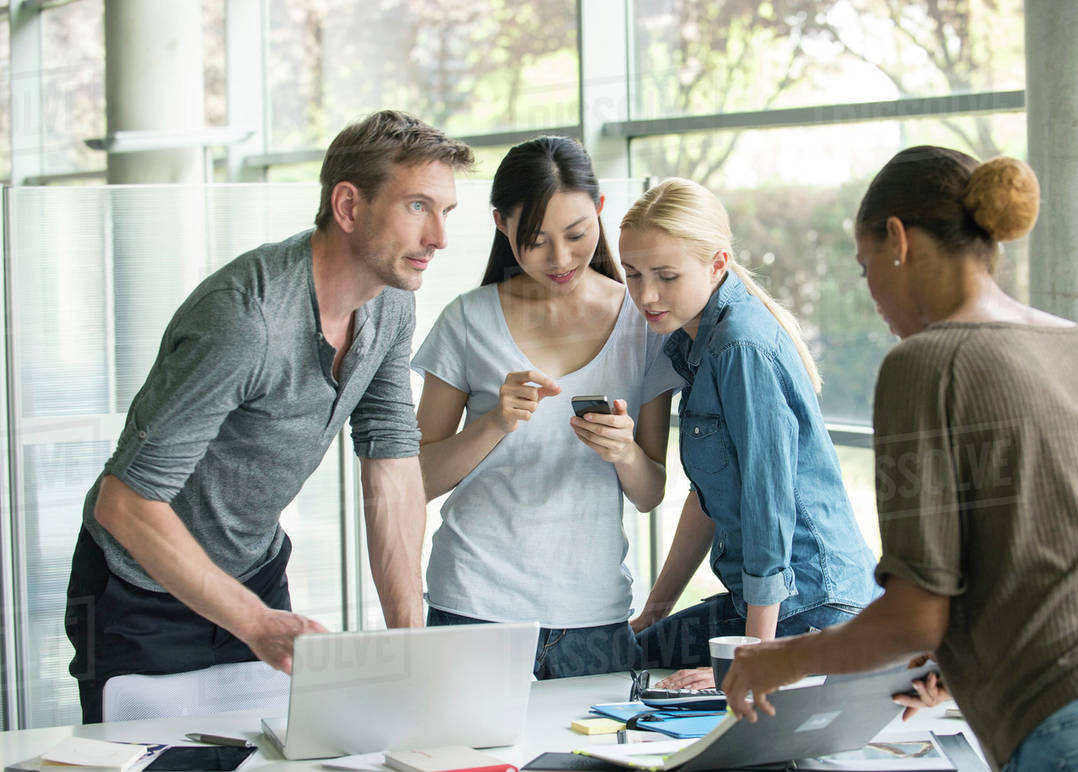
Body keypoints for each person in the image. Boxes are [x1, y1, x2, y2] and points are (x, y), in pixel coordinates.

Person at [64, 110, 474, 722]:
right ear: (348, 206)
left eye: (447, 212)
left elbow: (390, 466)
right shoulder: (245, 318)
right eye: (418, 206)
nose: (439, 237)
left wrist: (409, 643)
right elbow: (123, 503)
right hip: (136, 587)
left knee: (276, 768)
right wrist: (253, 623)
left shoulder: (389, 306)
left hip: (252, 573)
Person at [721, 146, 1078, 772]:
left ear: (898, 240)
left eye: (867, 268)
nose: (872, 297)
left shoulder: (925, 364)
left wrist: (780, 660)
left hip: (1059, 735)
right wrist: (957, 657)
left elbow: (913, 618)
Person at [412, 136, 681, 679]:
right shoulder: (468, 320)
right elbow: (413, 479)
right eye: (535, 241)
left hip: (594, 615)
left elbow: (651, 492)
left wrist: (624, 452)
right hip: (474, 606)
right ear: (501, 225)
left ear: (601, 211)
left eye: (577, 234)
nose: (561, 259)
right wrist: (494, 423)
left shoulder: (643, 321)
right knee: (471, 763)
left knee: (598, 763)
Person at [619, 178, 880, 688]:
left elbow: (769, 511)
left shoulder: (739, 349)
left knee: (662, 692)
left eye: (666, 276)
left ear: (717, 264)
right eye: (632, 274)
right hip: (768, 606)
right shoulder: (694, 340)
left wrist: (754, 660)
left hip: (814, 610)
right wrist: (655, 609)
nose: (645, 295)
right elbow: (710, 495)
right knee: (626, 654)